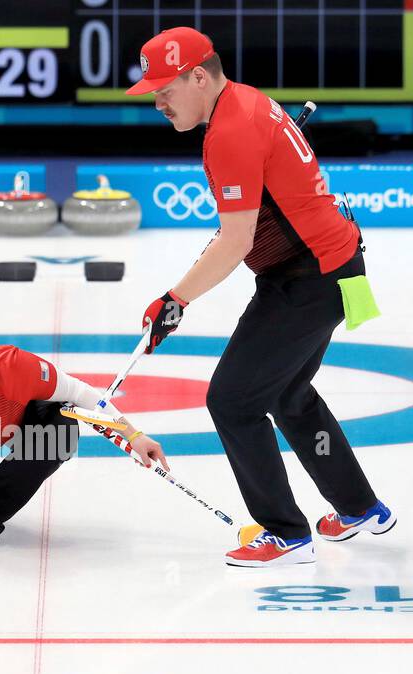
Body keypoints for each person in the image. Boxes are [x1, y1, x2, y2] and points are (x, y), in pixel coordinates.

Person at [126, 26, 396, 568]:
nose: (157, 102)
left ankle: (283, 532)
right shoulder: (247, 105)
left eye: (165, 90)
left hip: (308, 278)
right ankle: (358, 506)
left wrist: (173, 300)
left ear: (198, 76)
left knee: (231, 400)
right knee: (288, 393)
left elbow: (234, 242)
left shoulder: (231, 129)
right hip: (336, 266)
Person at [0, 319, 167, 548]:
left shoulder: (14, 366)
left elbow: (79, 393)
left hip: (14, 426)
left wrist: (133, 435)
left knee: (62, 428)